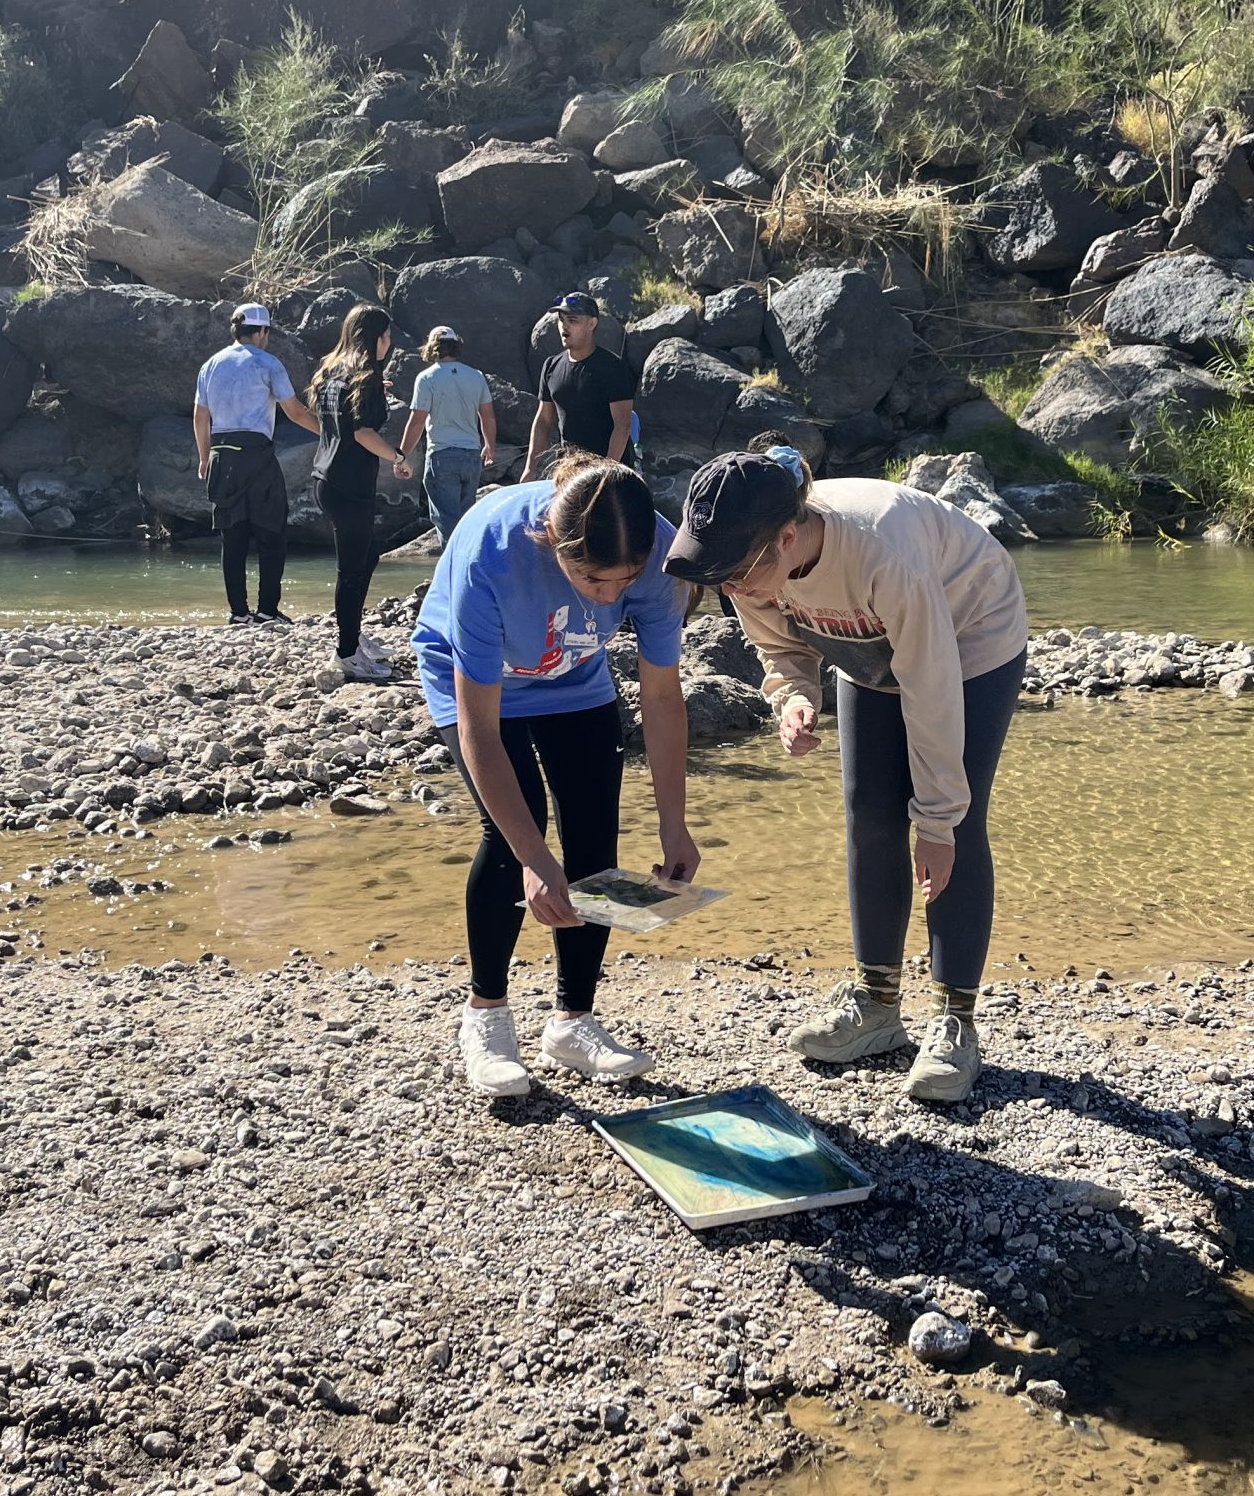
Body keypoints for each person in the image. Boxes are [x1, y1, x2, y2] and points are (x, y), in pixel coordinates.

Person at [664, 443, 1028, 1104]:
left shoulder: (880, 549)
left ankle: (955, 1022)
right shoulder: (744, 561)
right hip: (865, 639)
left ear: (787, 536)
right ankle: (876, 1005)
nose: (733, 590)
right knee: (869, 813)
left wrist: (938, 821)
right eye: (721, 578)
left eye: (740, 575)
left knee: (954, 822)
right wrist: (794, 695)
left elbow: (931, 689)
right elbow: (780, 644)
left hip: (969, 635)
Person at [411, 451, 700, 1097]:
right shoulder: (495, 552)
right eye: (594, 580)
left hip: (572, 676)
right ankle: (485, 1019)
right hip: (476, 688)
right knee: (513, 834)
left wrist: (675, 826)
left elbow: (661, 698)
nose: (612, 597)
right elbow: (480, 728)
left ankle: (573, 1023)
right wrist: (534, 859)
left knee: (595, 842)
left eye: (624, 583)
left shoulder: (653, 554)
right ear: (553, 544)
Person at [192, 302, 316, 626]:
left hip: (221, 453)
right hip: (257, 455)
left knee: (232, 538)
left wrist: (205, 458)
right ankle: (267, 610)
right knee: (271, 533)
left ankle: (237, 612)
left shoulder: (211, 365)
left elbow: (200, 417)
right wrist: (333, 434)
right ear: (261, 331)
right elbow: (296, 412)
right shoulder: (269, 363)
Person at [307, 302, 409, 682]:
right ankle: (347, 653)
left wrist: (374, 389)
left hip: (327, 479)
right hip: (349, 487)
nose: (390, 344)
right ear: (376, 338)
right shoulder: (363, 379)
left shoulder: (331, 372)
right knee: (351, 571)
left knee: (368, 556)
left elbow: (340, 413)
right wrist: (398, 456)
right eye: (387, 337)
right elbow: (363, 433)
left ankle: (352, 633)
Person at [395, 324, 496, 543]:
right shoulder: (476, 376)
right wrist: (490, 445)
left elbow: (416, 422)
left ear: (432, 348)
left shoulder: (427, 378)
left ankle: (451, 573)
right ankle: (468, 568)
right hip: (471, 457)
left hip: (442, 456)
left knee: (447, 521)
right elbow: (487, 416)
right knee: (465, 519)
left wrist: (401, 455)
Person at [524, 292, 635, 478]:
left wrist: (606, 472)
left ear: (592, 324)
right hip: (568, 471)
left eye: (572, 320)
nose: (564, 326)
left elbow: (623, 425)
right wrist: (530, 468)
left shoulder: (613, 368)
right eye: (561, 320)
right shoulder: (551, 366)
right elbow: (543, 420)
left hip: (609, 471)